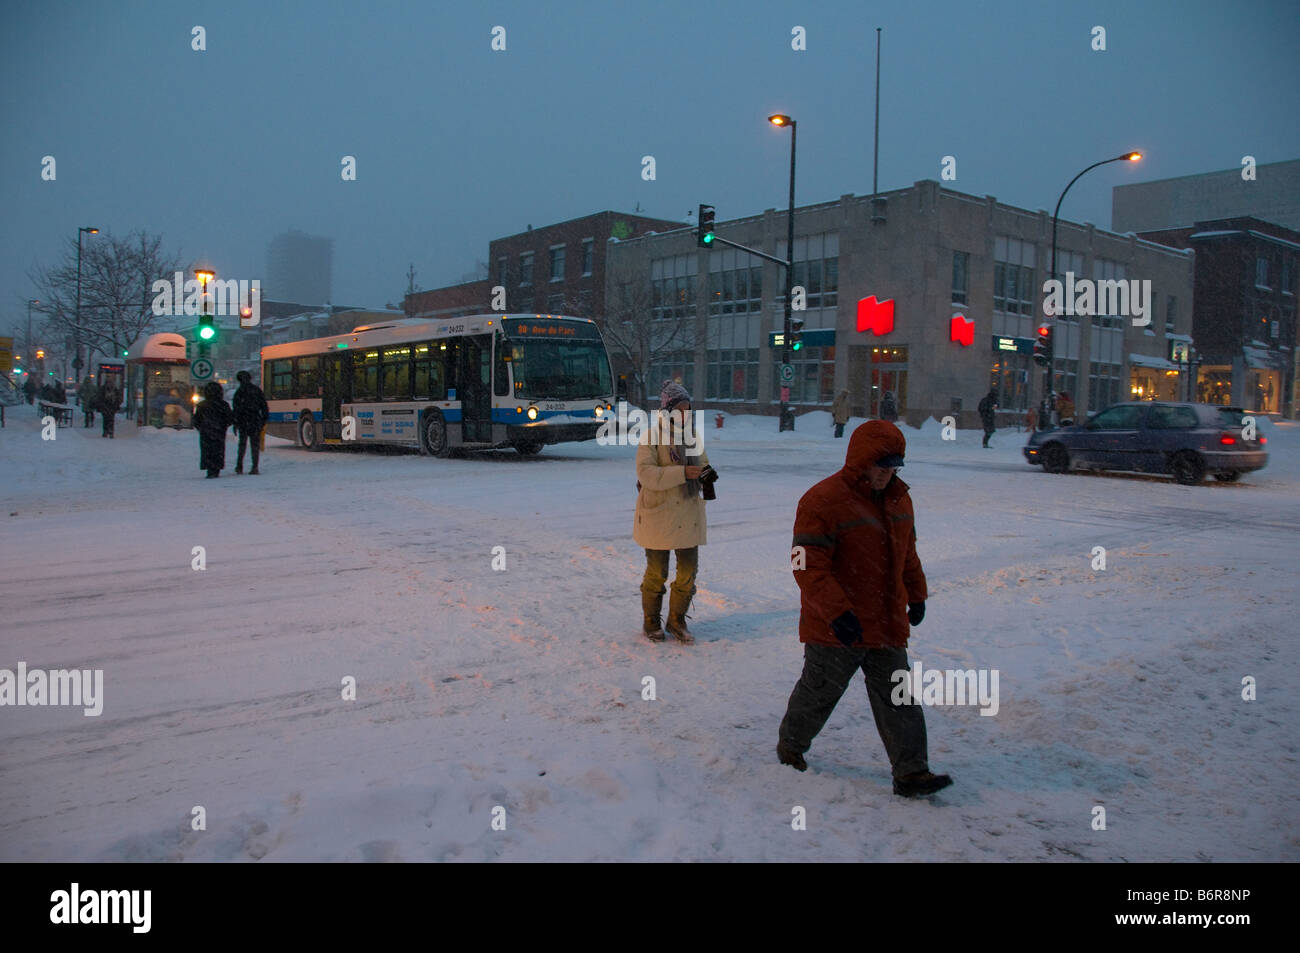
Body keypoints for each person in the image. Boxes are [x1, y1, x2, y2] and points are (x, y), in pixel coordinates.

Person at [777, 420, 951, 798]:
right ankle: (790, 747)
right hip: (836, 625)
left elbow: (908, 555)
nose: (888, 475)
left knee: (899, 699)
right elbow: (807, 564)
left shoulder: (900, 499)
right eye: (881, 467)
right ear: (861, 462)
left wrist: (917, 594)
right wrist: (837, 613)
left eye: (894, 468)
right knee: (819, 693)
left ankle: (911, 772)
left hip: (885, 624)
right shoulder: (822, 501)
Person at [634, 380, 712, 644]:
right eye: (680, 409)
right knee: (657, 573)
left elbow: (704, 464)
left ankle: (676, 620)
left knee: (688, 572)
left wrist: (708, 478)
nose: (685, 414)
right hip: (659, 515)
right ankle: (651, 622)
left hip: (687, 515)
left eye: (688, 410)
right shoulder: (652, 436)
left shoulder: (692, 436)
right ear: (667, 410)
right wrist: (682, 473)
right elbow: (646, 474)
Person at [193, 381, 233, 478]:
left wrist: (202, 428)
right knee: (218, 450)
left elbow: (196, 420)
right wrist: (223, 426)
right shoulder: (223, 405)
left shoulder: (202, 405)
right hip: (219, 431)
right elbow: (230, 419)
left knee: (207, 450)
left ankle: (209, 468)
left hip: (206, 432)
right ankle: (216, 468)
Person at [232, 370, 269, 474]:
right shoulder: (257, 390)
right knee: (255, 446)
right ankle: (255, 467)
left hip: (243, 422)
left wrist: (235, 423)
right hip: (255, 420)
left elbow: (236, 409)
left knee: (242, 445)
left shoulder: (239, 392)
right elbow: (264, 407)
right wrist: (263, 421)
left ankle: (239, 467)